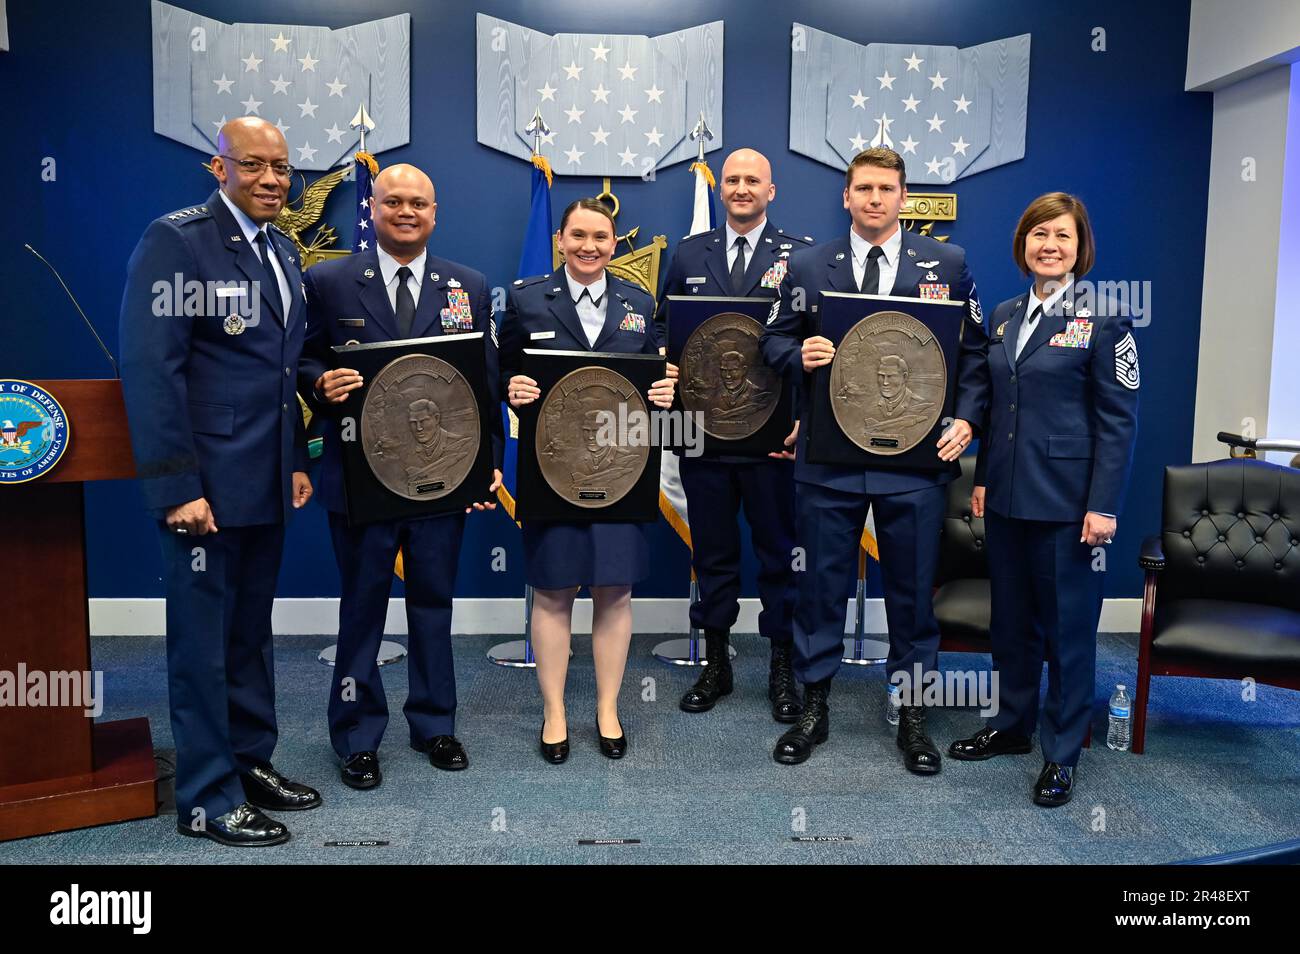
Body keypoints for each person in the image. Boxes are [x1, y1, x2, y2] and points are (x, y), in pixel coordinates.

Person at [119, 117, 319, 847]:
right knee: (202, 640)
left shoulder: (284, 250)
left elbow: (278, 370)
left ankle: (248, 761)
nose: (271, 179)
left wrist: (297, 457)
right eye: (254, 165)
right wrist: (175, 486)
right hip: (202, 486)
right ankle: (206, 796)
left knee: (246, 634)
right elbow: (152, 370)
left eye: (282, 168)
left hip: (264, 480)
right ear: (218, 166)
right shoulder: (179, 240)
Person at [759, 147, 989, 773]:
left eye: (886, 188)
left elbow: (973, 355)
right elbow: (771, 338)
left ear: (903, 196)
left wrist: (967, 418)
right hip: (829, 456)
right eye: (863, 188)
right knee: (819, 585)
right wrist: (795, 354)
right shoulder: (807, 264)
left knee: (913, 591)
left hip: (911, 459)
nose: (874, 199)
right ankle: (814, 707)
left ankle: (913, 716)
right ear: (846, 196)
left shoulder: (947, 263)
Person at [300, 163, 502, 790]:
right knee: (362, 608)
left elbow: (484, 384)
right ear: (375, 210)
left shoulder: (466, 284)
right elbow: (301, 358)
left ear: (434, 212)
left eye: (419, 202)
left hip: (441, 479)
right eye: (394, 202)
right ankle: (358, 737)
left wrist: (485, 466)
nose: (407, 211)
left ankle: (435, 723)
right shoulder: (329, 280)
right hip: (360, 475)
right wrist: (318, 383)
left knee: (434, 603)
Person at [949, 193, 1138, 806]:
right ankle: (1011, 726)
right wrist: (981, 480)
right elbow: (1001, 408)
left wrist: (1103, 504)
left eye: (1061, 235)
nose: (1049, 246)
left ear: (1080, 247)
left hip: (1068, 507)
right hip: (1005, 500)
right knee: (1011, 626)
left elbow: (1117, 422)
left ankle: (1062, 752)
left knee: (1068, 632)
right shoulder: (1004, 314)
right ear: (1022, 244)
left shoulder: (1106, 318)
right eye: (1038, 235)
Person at [500, 198, 675, 763]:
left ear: (614, 242)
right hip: (551, 470)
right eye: (578, 235)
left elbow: (653, 379)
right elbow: (500, 368)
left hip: (621, 469)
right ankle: (554, 712)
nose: (589, 246)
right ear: (559, 239)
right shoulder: (527, 299)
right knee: (553, 590)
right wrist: (512, 387)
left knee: (614, 590)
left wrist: (665, 394)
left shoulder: (639, 303)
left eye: (601, 236)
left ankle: (607, 709)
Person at [654, 148, 811, 723]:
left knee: (779, 557)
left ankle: (781, 667)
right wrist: (663, 363)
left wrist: (806, 418)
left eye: (753, 180)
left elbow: (814, 345)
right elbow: (661, 328)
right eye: (732, 180)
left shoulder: (802, 256)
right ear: (720, 189)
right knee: (714, 554)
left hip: (775, 440)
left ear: (773, 191)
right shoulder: (689, 253)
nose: (741, 188)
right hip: (703, 437)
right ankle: (715, 663)